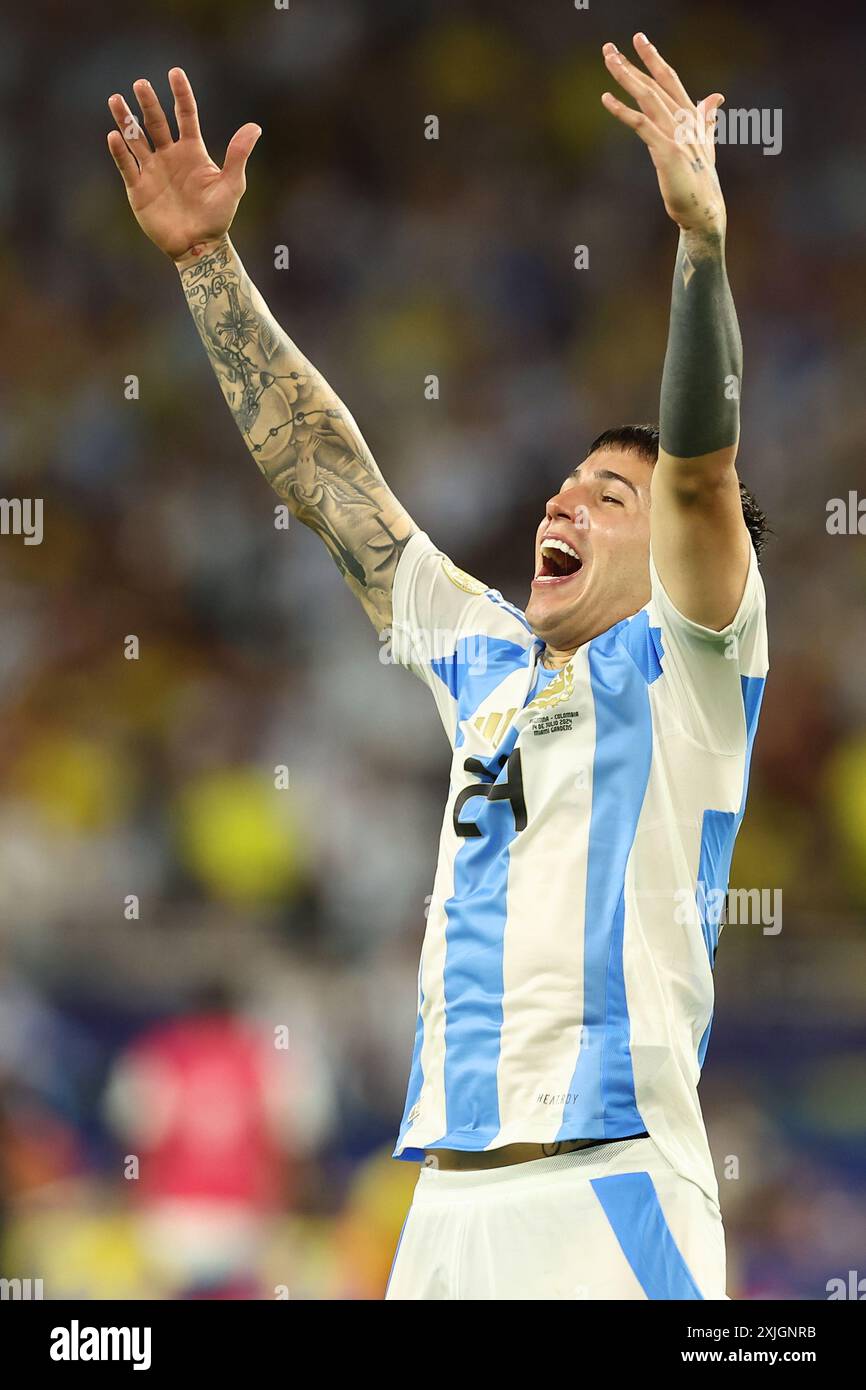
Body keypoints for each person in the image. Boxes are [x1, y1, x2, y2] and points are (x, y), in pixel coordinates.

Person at [106, 31, 768, 1300]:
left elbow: (699, 470)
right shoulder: (483, 659)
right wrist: (204, 264)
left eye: (606, 496)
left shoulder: (690, 671)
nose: (562, 504)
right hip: (441, 1211)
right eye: (562, 484)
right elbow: (328, 481)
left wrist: (699, 250)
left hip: (610, 1194)